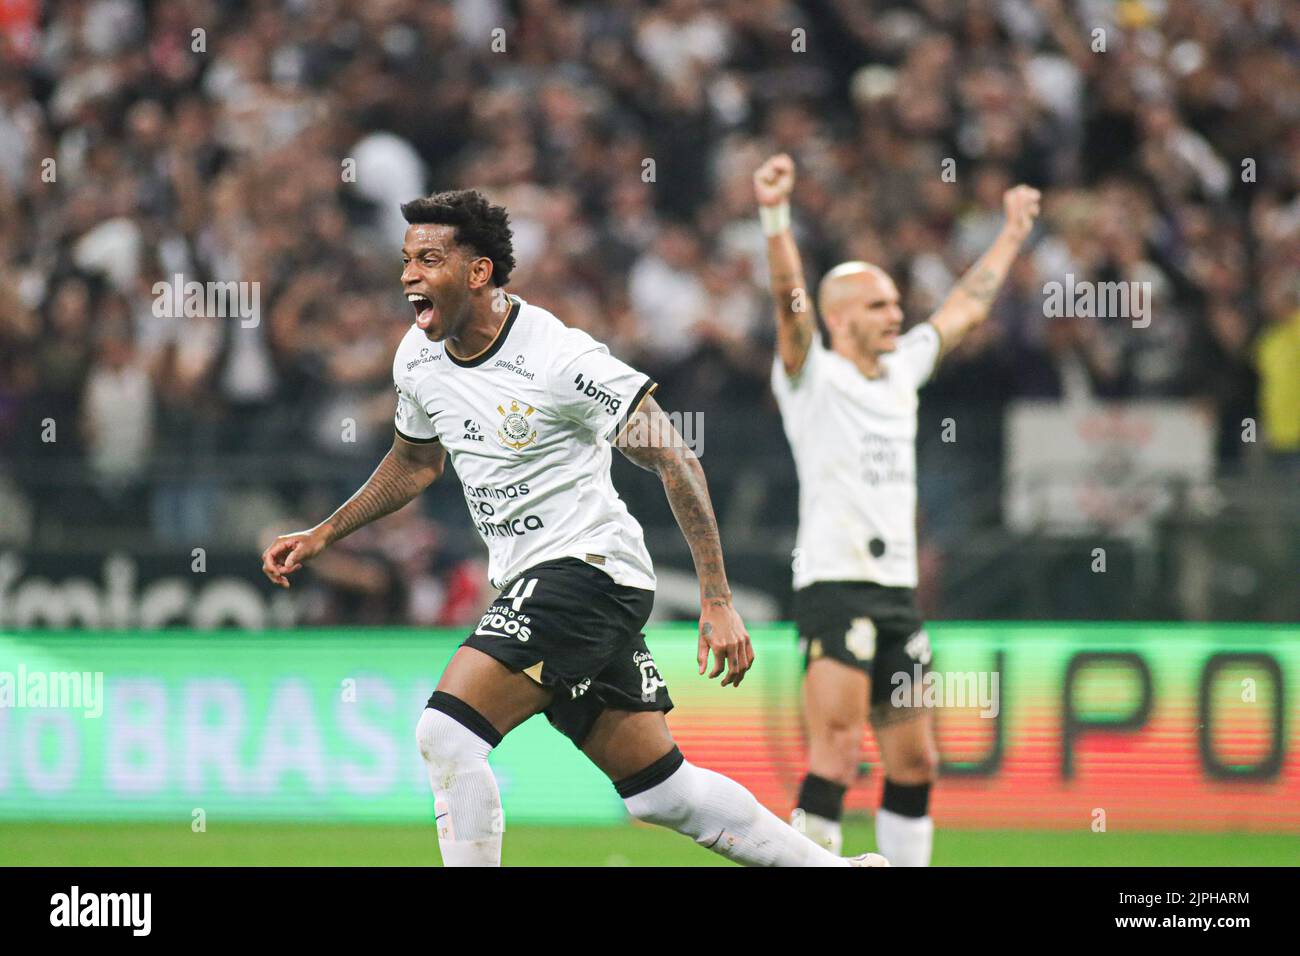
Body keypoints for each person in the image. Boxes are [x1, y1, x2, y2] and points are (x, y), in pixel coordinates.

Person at [260, 188, 888, 867]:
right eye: (406, 259)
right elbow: (414, 464)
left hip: (586, 572)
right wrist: (326, 533)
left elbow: (675, 457)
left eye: (429, 258)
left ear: (479, 272)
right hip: (537, 584)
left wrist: (717, 598)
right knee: (662, 793)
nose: (409, 274)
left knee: (446, 734)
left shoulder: (560, 358)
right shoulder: (417, 359)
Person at [754, 154, 1040, 864]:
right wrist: (775, 218)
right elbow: (790, 301)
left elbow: (967, 306)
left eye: (895, 304)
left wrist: (1011, 233)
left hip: (896, 596)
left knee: (916, 764)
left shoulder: (903, 369)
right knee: (839, 752)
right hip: (834, 585)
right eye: (880, 305)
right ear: (840, 316)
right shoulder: (809, 376)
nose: (897, 314)